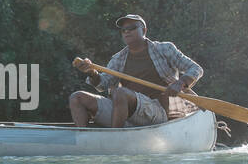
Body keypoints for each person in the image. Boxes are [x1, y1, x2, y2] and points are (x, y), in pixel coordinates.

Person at [69, 14, 203, 128]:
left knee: (120, 92)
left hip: (157, 113)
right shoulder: (118, 58)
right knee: (77, 97)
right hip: (124, 113)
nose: (127, 31)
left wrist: (181, 83)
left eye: (132, 28)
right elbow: (102, 84)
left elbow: (196, 68)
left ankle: (115, 138)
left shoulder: (165, 49)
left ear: (144, 30)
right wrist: (91, 71)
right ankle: (83, 138)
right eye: (123, 30)